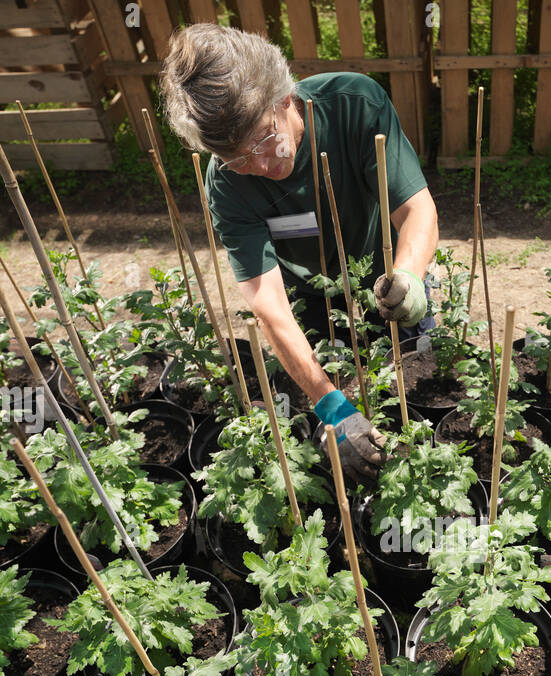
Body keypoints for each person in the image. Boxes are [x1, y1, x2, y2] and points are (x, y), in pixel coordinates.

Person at [161, 24, 440, 482]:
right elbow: (269, 309)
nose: (261, 166)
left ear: (285, 97)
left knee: (417, 406)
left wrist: (407, 277)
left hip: (387, 284)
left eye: (264, 140)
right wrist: (333, 407)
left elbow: (417, 210)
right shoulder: (228, 183)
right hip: (310, 304)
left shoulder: (355, 104)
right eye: (238, 158)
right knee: (335, 441)